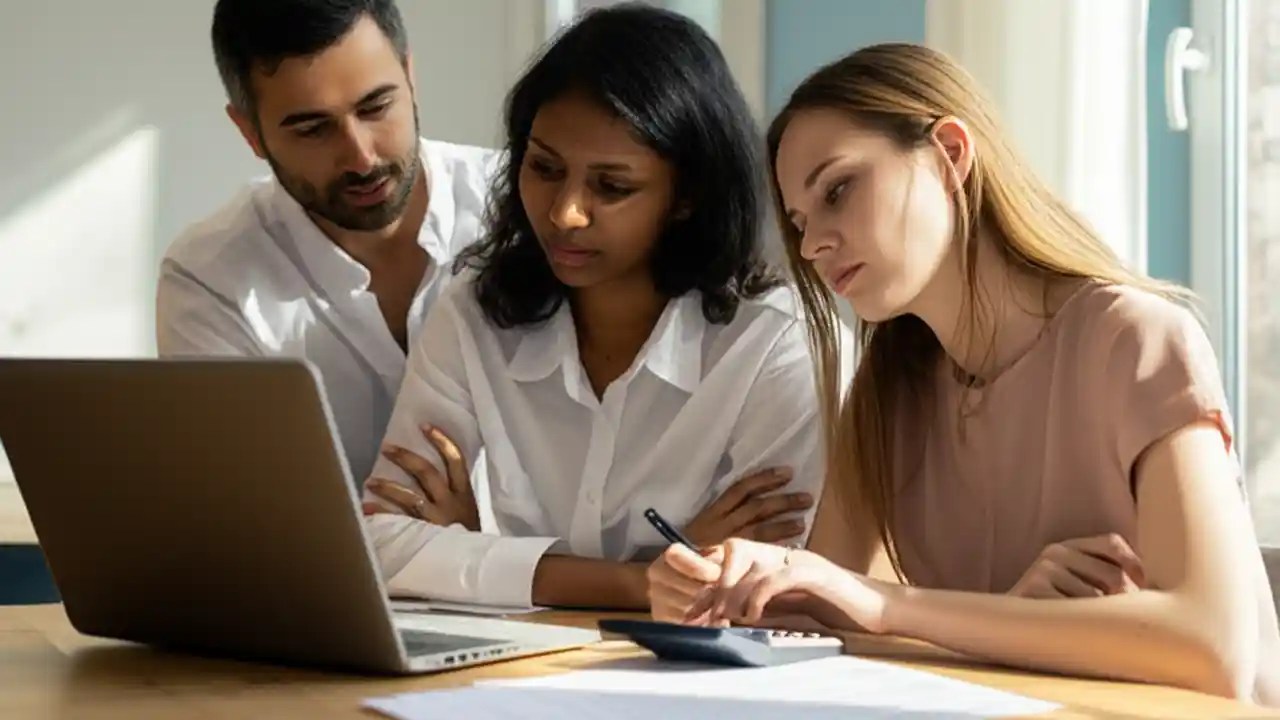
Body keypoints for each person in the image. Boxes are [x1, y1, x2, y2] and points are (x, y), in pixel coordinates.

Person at [647, 43, 1280, 705]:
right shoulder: (891, 388)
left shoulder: (1138, 340)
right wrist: (716, 591)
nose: (811, 246)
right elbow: (824, 621)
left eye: (838, 190)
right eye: (801, 223)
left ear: (950, 153)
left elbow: (1214, 650)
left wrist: (891, 605)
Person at [360, 5, 832, 610]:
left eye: (612, 187)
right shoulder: (474, 309)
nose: (565, 214)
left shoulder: (772, 341)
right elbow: (384, 544)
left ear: (688, 196)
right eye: (544, 168)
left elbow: (771, 583)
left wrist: (482, 557)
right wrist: (647, 578)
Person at [155, 0, 497, 482]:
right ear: (250, 132)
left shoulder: (522, 211)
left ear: (409, 76)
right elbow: (248, 510)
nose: (361, 156)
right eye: (314, 129)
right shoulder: (212, 279)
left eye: (376, 107)